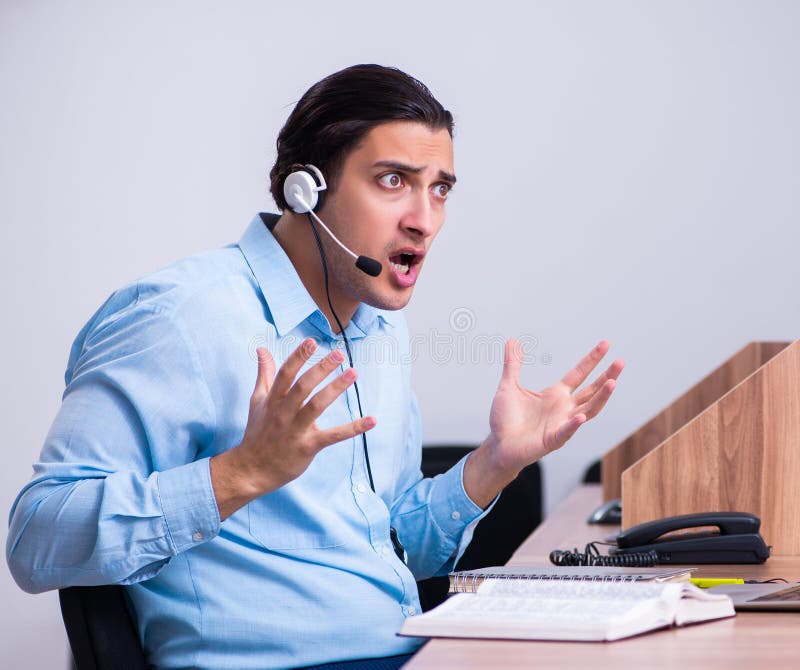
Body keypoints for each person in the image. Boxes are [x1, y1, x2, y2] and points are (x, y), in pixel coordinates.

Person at [7, 64, 623, 670]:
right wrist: (238, 475)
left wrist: (494, 463)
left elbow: (391, 545)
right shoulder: (179, 316)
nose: (424, 219)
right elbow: (36, 537)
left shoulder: (376, 322)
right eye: (392, 181)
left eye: (439, 188)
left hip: (404, 651)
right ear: (307, 189)